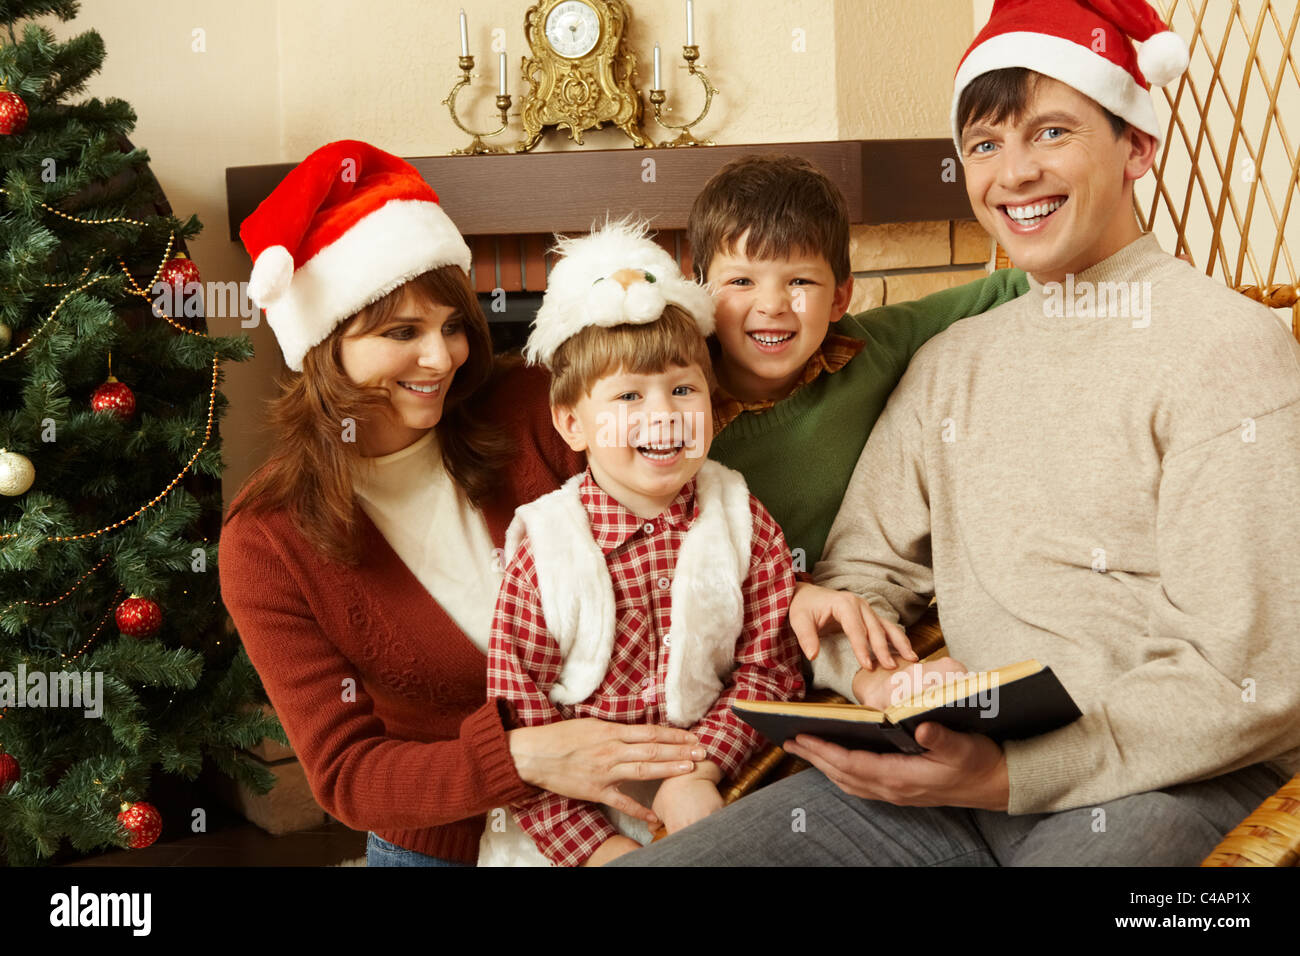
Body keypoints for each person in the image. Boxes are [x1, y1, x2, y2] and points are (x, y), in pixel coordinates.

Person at [613, 0, 1300, 867]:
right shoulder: (952, 361)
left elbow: (1260, 680)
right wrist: (867, 676)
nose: (1013, 173)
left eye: (1051, 132)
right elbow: (860, 573)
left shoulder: (1230, 349)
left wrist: (1008, 775)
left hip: (1170, 784)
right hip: (934, 777)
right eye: (984, 145)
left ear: (1137, 147)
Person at [218, 142, 708, 868]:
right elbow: (347, 774)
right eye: (401, 333)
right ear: (325, 345)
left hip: (626, 801)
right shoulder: (267, 541)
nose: (442, 357)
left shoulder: (530, 408)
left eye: (451, 324)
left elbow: (684, 506)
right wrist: (522, 758)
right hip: (443, 840)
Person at [479, 221, 821, 867]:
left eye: (682, 390)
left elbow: (768, 670)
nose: (662, 416)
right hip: (564, 832)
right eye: (629, 395)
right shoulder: (542, 548)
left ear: (713, 406)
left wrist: (698, 768)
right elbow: (516, 721)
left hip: (709, 790)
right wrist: (598, 850)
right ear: (571, 422)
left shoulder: (742, 517)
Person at [690, 154, 1027, 666]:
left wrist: (1125, 285)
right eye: (741, 282)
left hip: (851, 613)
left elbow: (1003, 289)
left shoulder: (869, 347)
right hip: (738, 627)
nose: (773, 304)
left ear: (840, 297)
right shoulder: (680, 405)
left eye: (799, 281)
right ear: (699, 296)